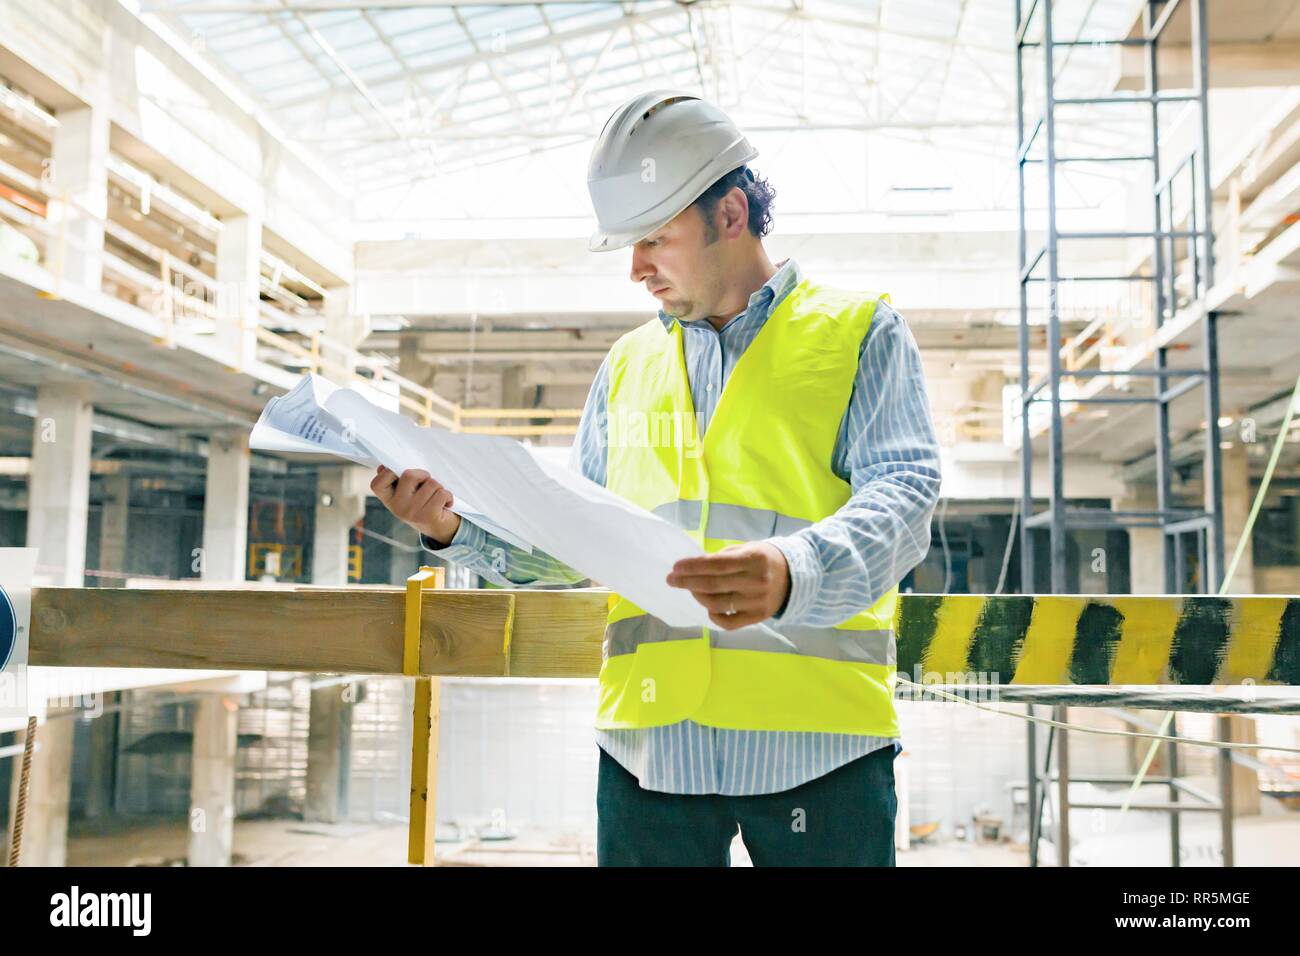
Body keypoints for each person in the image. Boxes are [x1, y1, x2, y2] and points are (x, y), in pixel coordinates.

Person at [371, 90, 941, 866]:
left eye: (654, 239)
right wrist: (453, 528)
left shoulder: (860, 333)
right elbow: (578, 550)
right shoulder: (627, 365)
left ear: (730, 215)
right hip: (648, 755)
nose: (636, 269)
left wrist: (792, 570)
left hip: (820, 751)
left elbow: (903, 500)